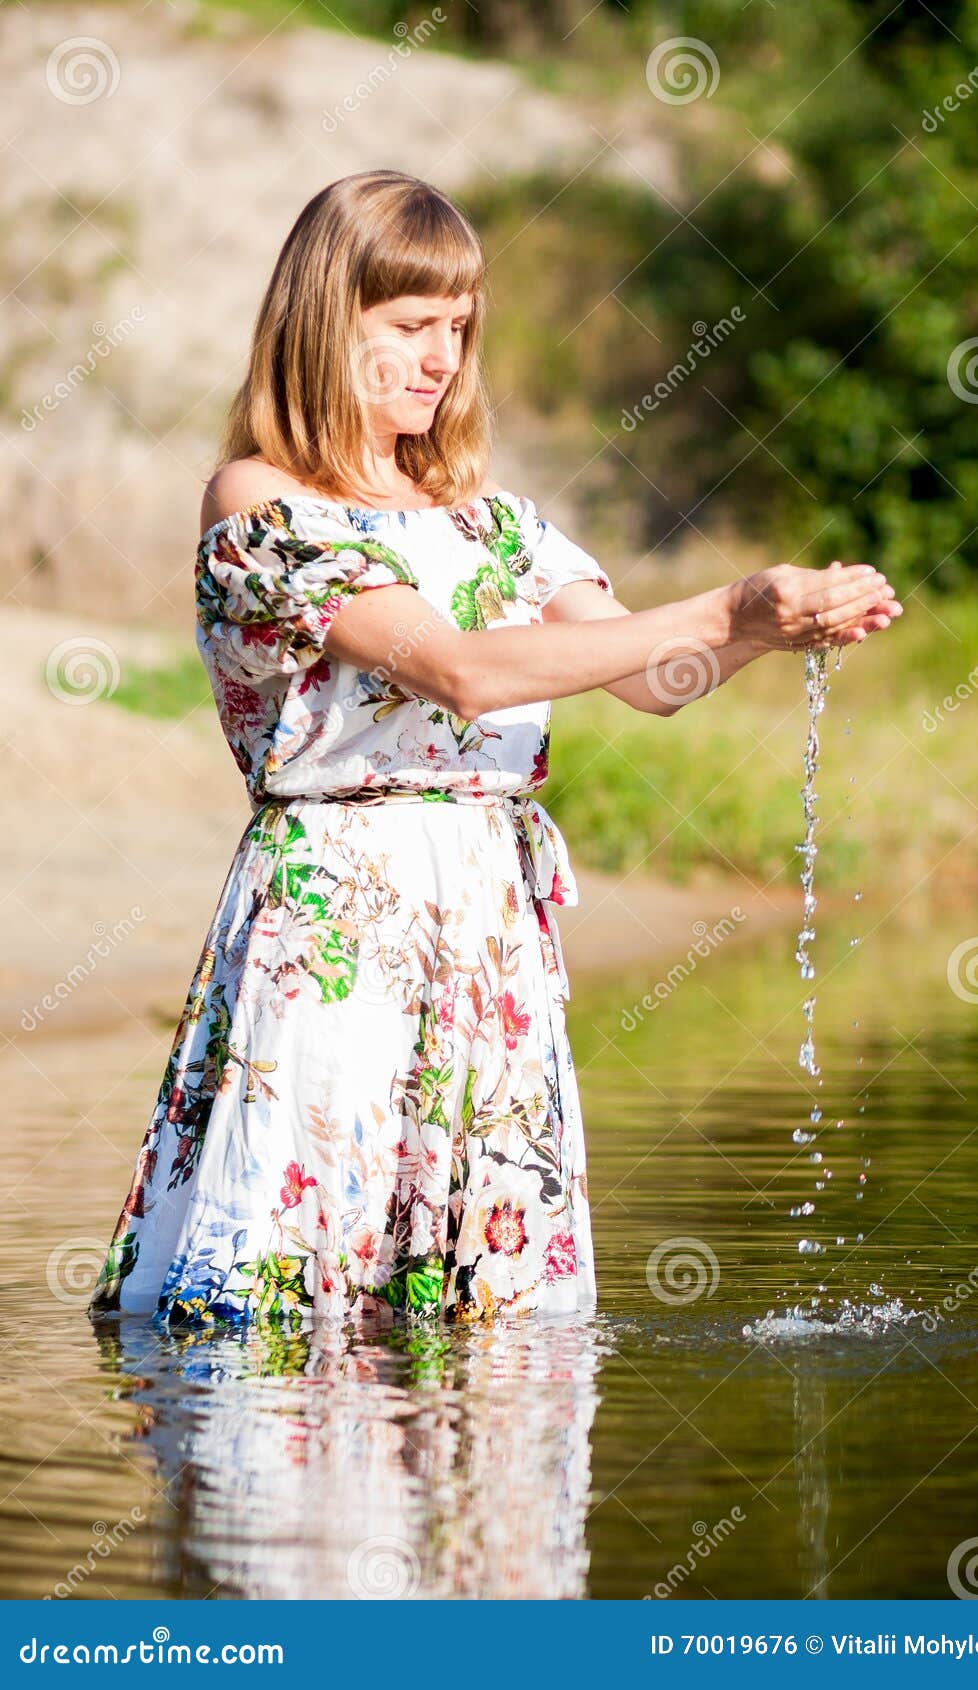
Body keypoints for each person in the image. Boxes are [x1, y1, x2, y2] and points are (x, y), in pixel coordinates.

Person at [86, 169, 900, 1333]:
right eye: (411, 325)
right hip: (339, 920)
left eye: (459, 329)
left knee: (487, 1320)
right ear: (325, 319)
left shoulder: (493, 519)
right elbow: (459, 669)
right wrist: (719, 605)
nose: (442, 357)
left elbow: (645, 678)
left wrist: (760, 629)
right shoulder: (258, 504)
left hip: (487, 916)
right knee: (297, 1289)